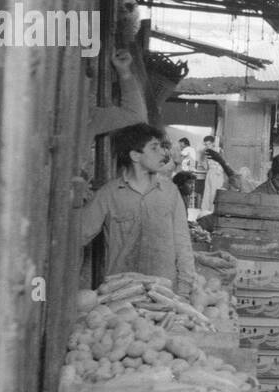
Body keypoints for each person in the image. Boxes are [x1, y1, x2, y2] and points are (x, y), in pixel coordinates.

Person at [79, 123, 196, 297]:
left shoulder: (170, 193)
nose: (163, 153)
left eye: (162, 147)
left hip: (163, 296)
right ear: (135, 155)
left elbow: (182, 243)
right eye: (154, 148)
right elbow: (79, 234)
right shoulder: (108, 194)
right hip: (121, 297)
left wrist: (185, 289)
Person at [198, 135, 239, 218]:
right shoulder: (206, 152)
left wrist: (219, 170)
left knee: (214, 193)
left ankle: (213, 212)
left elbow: (223, 162)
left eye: (208, 144)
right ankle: (205, 213)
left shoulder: (218, 151)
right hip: (210, 173)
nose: (207, 146)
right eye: (205, 144)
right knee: (207, 193)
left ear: (213, 143)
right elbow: (204, 164)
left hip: (217, 173)